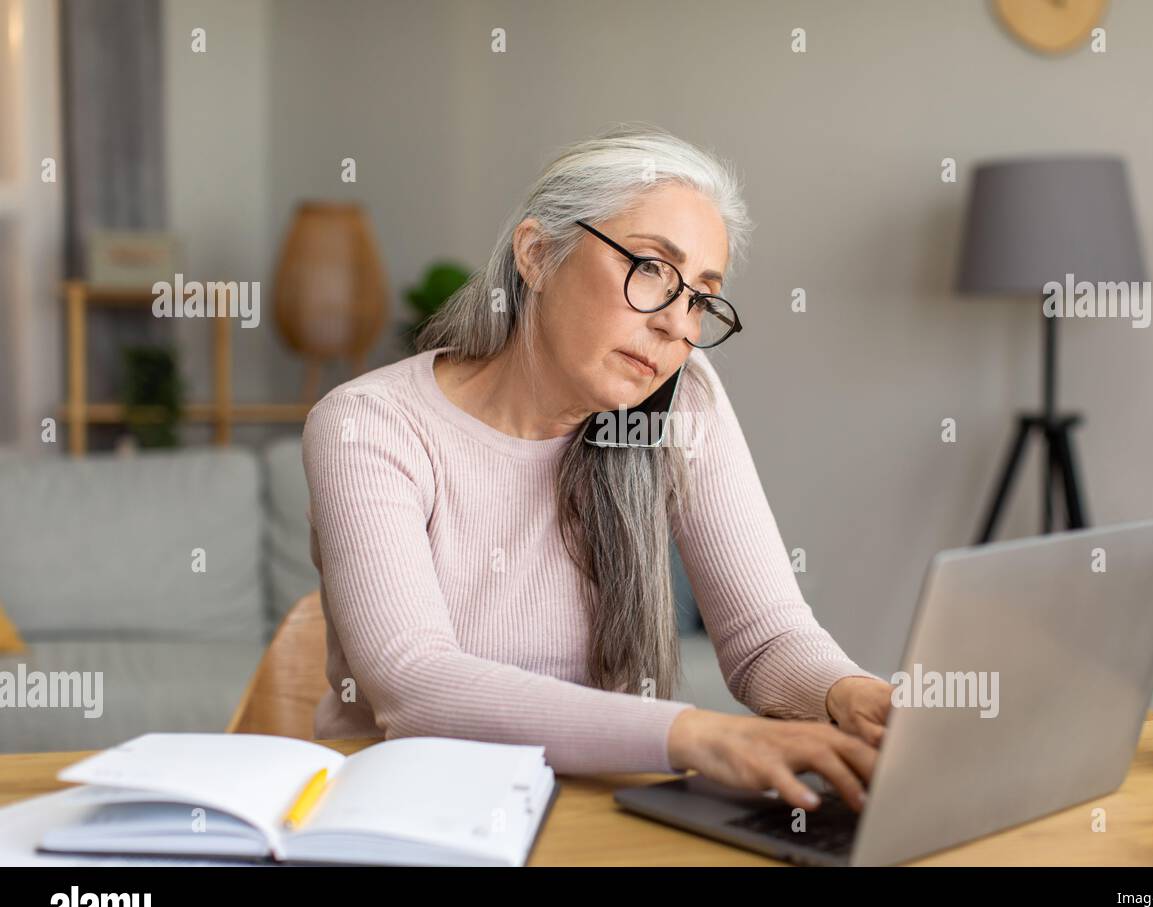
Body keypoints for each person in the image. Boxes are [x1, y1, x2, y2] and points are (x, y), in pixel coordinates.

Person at [302, 122, 893, 812]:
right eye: (650, 269)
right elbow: (416, 686)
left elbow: (766, 637)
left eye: (701, 296)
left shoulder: (682, 397)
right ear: (536, 254)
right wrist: (696, 736)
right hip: (406, 816)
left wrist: (847, 693)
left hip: (598, 806)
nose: (679, 325)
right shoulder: (370, 424)